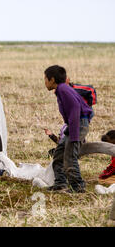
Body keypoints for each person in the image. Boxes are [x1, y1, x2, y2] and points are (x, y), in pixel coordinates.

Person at [44, 65, 93, 193]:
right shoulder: (62, 89)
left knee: (70, 157)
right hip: (74, 125)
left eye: (45, 79)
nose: (45, 82)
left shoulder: (63, 90)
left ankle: (78, 186)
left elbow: (75, 109)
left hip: (77, 125)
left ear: (52, 79)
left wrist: (74, 135)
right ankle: (60, 183)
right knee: (59, 154)